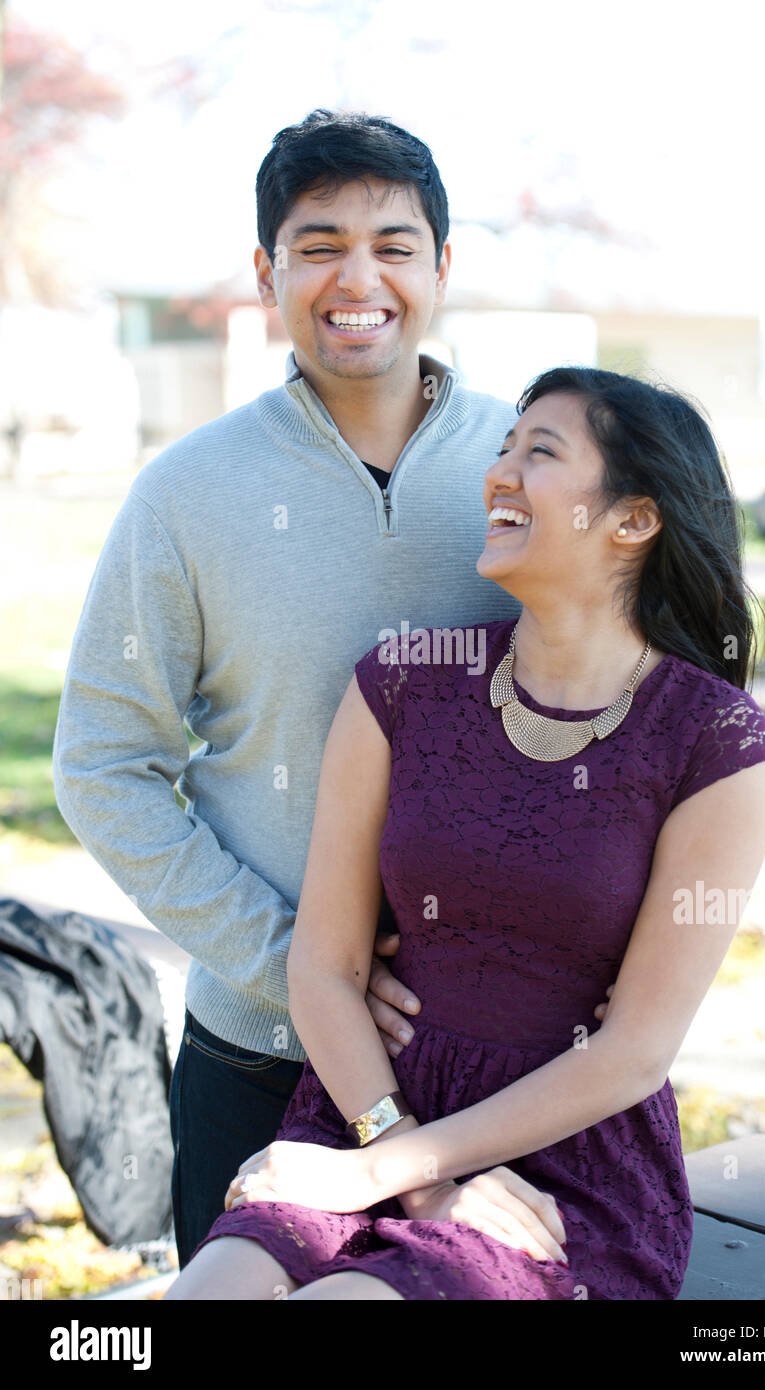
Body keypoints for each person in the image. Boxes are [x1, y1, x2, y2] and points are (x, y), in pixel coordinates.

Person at [52, 108, 550, 1265]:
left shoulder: (532, 464)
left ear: (442, 269)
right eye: (318, 244)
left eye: (393, 243)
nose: (357, 277)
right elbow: (101, 766)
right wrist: (291, 958)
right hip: (258, 1054)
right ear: (268, 272)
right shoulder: (185, 494)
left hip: (496, 1058)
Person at [165, 366, 765, 1302]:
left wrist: (386, 1180)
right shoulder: (404, 684)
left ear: (633, 519)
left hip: (563, 1172)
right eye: (501, 448)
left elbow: (634, 1051)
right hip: (366, 1118)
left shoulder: (712, 741)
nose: (498, 473)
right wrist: (400, 1162)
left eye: (539, 452)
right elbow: (324, 967)